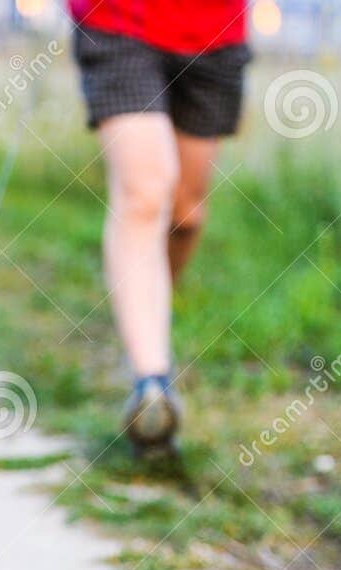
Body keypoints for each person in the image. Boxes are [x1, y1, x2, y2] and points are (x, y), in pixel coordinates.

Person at [68, 0, 251, 451]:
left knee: (186, 214)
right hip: (118, 22)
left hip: (214, 30)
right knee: (145, 195)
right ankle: (151, 382)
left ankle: (146, 323)